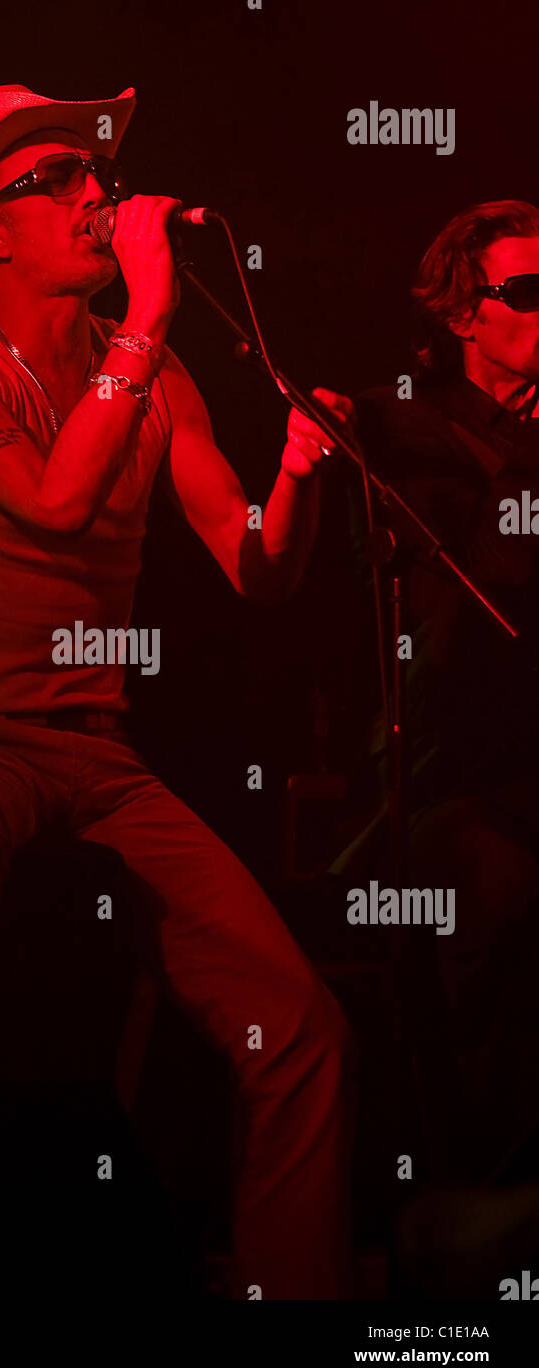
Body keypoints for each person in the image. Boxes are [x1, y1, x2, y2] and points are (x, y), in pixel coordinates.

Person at [0, 83, 356, 1299]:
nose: (98, 195)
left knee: (298, 1026)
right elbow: (50, 495)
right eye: (60, 183)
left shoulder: (154, 371)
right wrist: (145, 317)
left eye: (99, 179)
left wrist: (292, 478)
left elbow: (254, 567)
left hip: (97, 752)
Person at [328, 200, 539, 1183]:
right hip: (451, 769)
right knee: (491, 895)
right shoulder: (403, 420)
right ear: (463, 314)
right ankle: (481, 1196)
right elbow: (489, 572)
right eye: (528, 292)